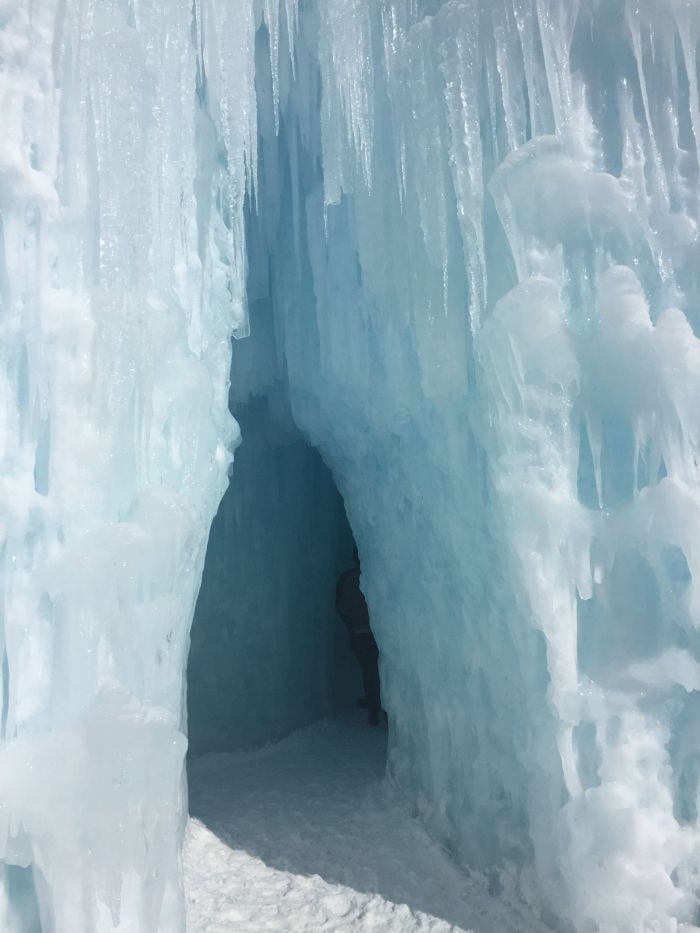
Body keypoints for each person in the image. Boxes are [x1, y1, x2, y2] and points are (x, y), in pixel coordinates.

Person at [336, 547, 381, 726]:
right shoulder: (377, 577)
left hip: (360, 633)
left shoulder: (348, 579)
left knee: (369, 671)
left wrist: (352, 625)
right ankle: (384, 707)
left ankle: (373, 708)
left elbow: (342, 607)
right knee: (380, 670)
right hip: (378, 635)